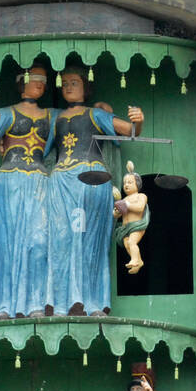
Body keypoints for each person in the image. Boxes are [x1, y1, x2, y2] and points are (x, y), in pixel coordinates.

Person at [46, 65, 143, 316]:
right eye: (64, 82)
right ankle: (62, 302)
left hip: (91, 179)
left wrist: (138, 121)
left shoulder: (94, 115)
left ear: (85, 87)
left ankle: (93, 302)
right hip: (61, 182)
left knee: (91, 241)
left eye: (74, 82)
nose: (68, 86)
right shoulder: (55, 117)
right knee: (62, 241)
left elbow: (129, 131)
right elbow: (40, 151)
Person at [0, 65, 53, 320]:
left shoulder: (52, 115)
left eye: (43, 79)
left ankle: (36, 303)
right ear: (21, 82)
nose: (39, 83)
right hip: (10, 181)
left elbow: (79, 119)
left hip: (39, 182)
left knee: (39, 244)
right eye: (33, 78)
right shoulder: (7, 113)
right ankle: (3, 305)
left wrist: (103, 108)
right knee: (6, 244)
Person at [112, 161, 150, 274]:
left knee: (132, 242)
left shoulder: (141, 196)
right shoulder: (124, 200)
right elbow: (118, 214)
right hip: (125, 228)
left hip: (137, 226)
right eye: (125, 183)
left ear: (137, 184)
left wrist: (127, 205)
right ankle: (139, 261)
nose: (126, 185)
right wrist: (116, 212)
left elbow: (139, 208)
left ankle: (134, 260)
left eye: (130, 182)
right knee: (127, 244)